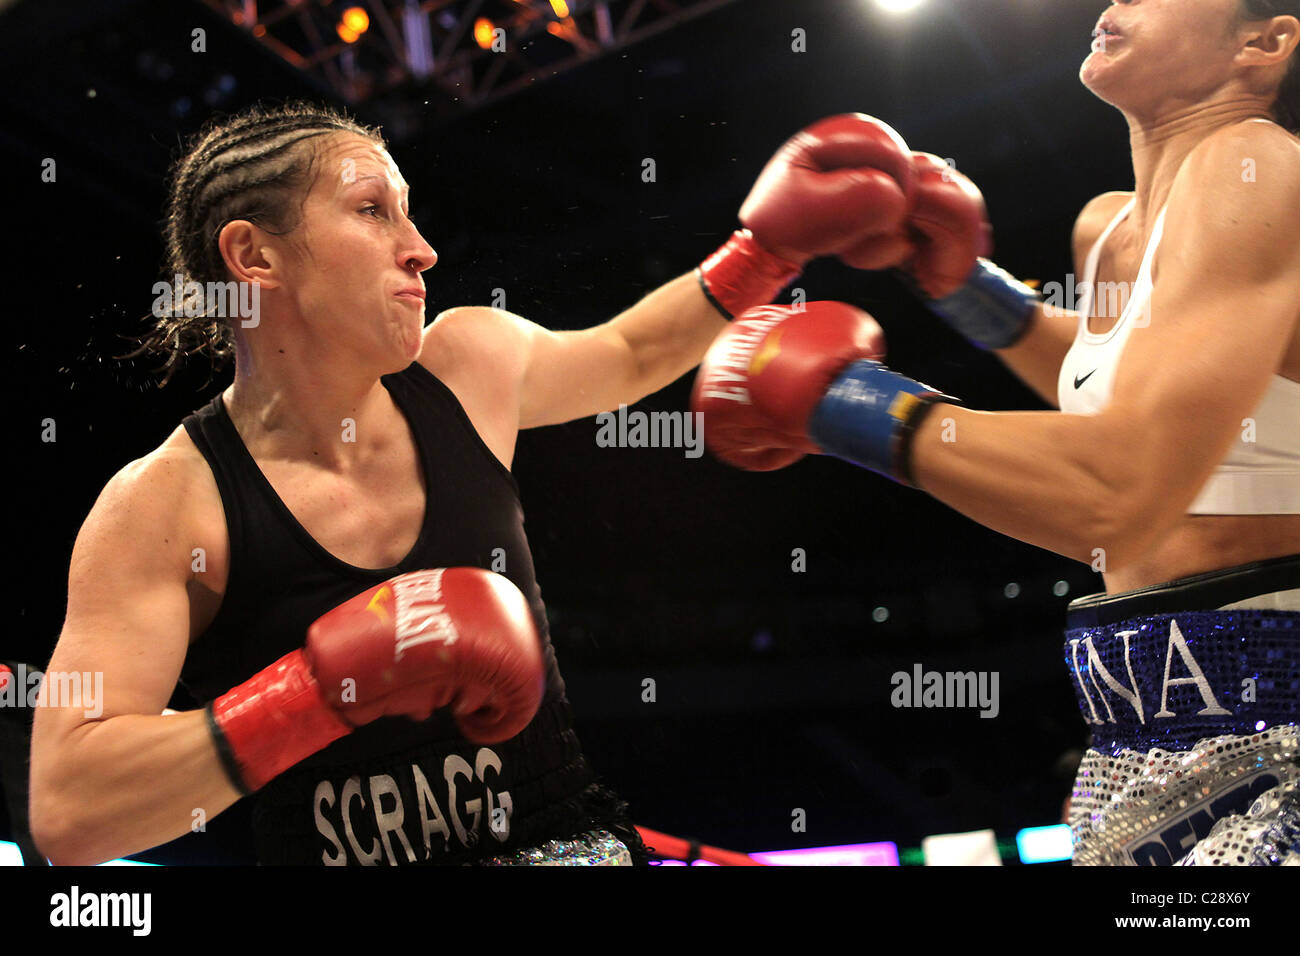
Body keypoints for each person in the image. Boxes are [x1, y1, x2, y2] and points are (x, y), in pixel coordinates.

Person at [27, 102, 917, 866]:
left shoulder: (468, 367)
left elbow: (630, 351)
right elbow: (69, 808)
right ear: (253, 256)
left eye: (409, 214)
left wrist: (764, 253)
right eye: (372, 211)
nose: (420, 250)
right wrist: (310, 692)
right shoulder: (166, 504)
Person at [691, 0, 1300, 865]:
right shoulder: (1108, 229)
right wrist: (965, 287)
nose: (1116, 1)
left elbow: (1124, 490)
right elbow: (1138, 392)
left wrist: (847, 405)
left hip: (1279, 723)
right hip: (1133, 738)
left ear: (1264, 42)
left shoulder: (1257, 163)